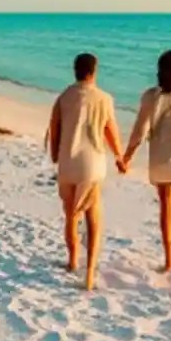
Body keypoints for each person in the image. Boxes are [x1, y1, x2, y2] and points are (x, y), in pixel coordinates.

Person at [47, 53, 125, 291]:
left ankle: (72, 261)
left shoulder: (64, 96)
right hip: (92, 165)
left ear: (75, 71)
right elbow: (110, 131)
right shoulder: (104, 98)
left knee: (71, 214)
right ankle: (89, 272)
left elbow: (54, 127)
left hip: (68, 163)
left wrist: (54, 155)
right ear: (94, 71)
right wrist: (120, 157)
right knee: (93, 218)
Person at [122, 50, 171, 287]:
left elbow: (139, 130)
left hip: (162, 159)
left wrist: (127, 157)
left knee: (166, 207)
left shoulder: (150, 97)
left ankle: (168, 262)